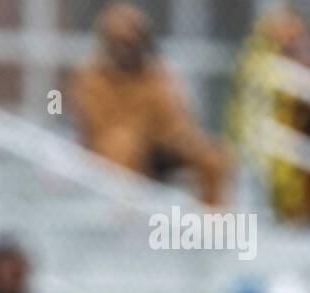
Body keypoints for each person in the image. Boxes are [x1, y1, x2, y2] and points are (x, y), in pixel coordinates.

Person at [71, 2, 229, 206]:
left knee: (213, 156)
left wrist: (178, 138)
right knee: (123, 144)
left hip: (159, 148)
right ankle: (124, 217)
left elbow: (176, 121)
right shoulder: (92, 78)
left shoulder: (157, 74)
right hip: (116, 154)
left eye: (131, 43)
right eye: (118, 43)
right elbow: (95, 128)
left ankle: (211, 223)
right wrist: (138, 129)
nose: (125, 51)